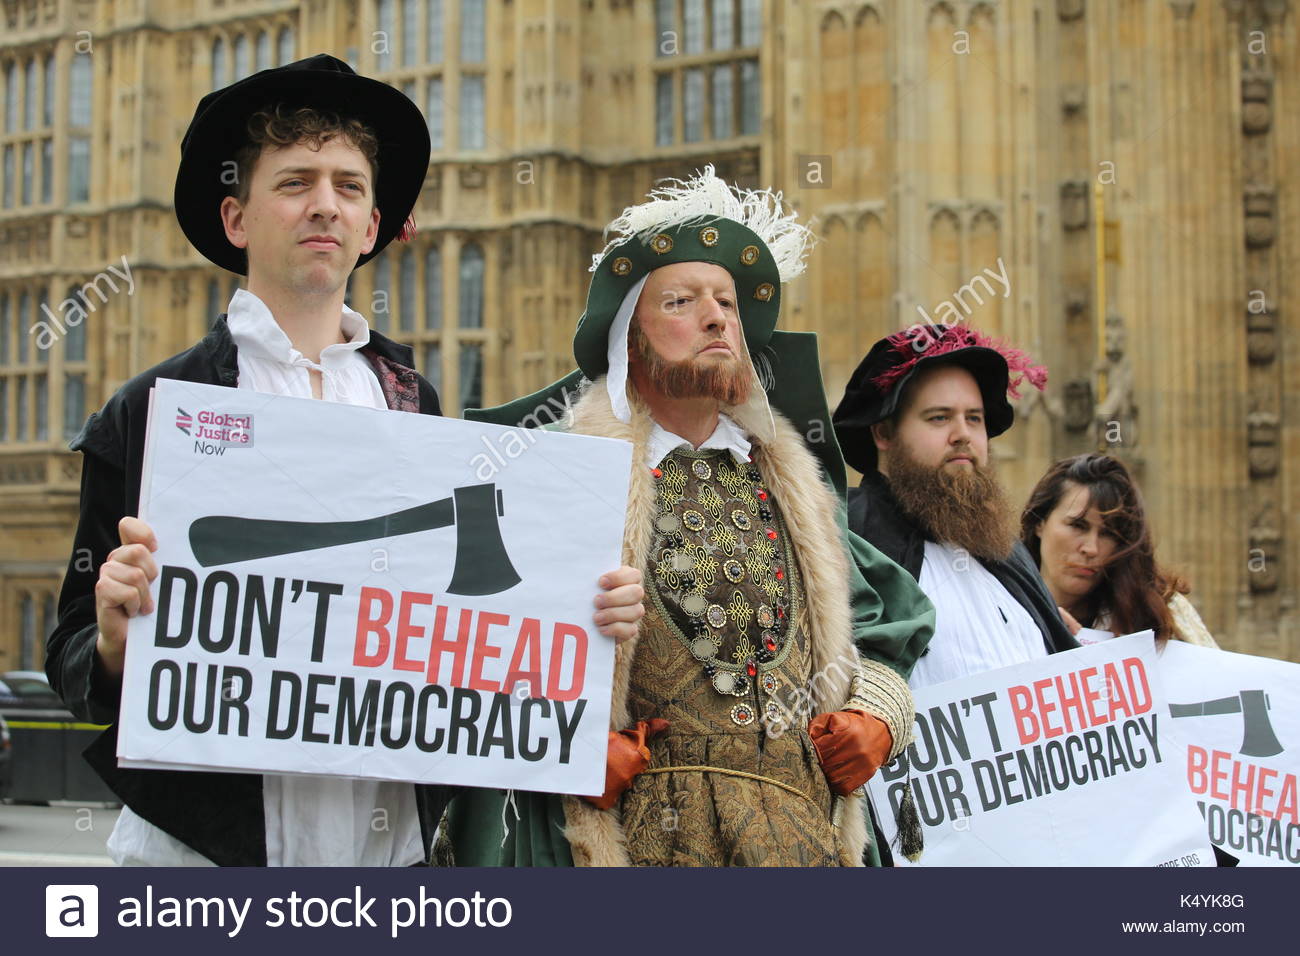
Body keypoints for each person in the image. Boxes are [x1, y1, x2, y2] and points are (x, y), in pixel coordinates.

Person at [45, 54, 645, 867]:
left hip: (385, 855)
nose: (325, 204)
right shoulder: (156, 409)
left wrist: (584, 618)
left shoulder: (415, 404)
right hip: (201, 856)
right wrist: (115, 639)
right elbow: (73, 654)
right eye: (295, 183)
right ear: (236, 219)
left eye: (349, 187)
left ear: (370, 229)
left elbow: (461, 623)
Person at [445, 167, 935, 867]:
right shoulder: (559, 471)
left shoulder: (796, 491)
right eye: (681, 301)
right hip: (651, 849)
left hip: (806, 844)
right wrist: (563, 749)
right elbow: (465, 639)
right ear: (629, 339)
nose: (715, 318)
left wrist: (879, 718)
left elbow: (891, 618)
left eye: (727, 305)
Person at [831, 323, 1077, 691]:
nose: (963, 433)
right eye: (939, 417)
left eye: (974, 418)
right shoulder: (845, 536)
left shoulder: (1006, 552)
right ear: (883, 433)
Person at [1020, 452, 1218, 647]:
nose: (1091, 549)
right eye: (1078, 525)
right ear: (1040, 522)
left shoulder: (1162, 613)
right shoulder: (1001, 607)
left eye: (1108, 533)